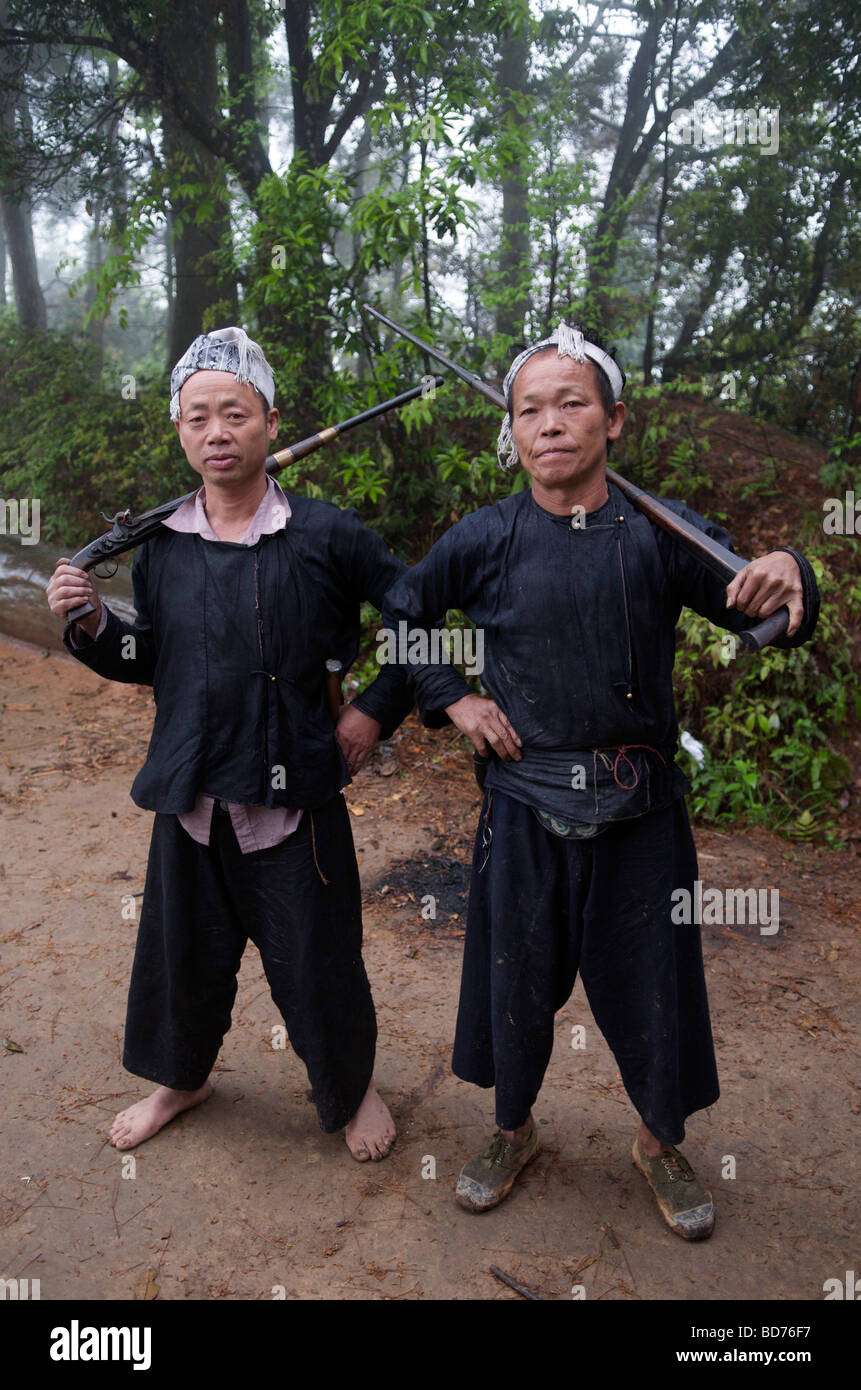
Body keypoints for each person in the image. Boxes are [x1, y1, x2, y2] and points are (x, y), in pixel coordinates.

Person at [381, 324, 819, 1238]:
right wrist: (453, 699)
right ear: (512, 431)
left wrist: (791, 573)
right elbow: (403, 615)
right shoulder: (485, 538)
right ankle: (512, 1129)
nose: (550, 423)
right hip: (522, 803)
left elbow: (769, 609)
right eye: (530, 409)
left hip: (639, 811)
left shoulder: (661, 535)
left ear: (612, 420)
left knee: (651, 987)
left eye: (571, 402)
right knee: (514, 980)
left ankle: (659, 1144)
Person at [47, 326, 421, 1162]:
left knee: (318, 958)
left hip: (295, 799)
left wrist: (369, 712)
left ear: (269, 422)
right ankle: (181, 1078)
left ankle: (350, 1086)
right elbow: (155, 660)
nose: (217, 433)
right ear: (178, 430)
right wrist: (92, 623)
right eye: (197, 418)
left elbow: (418, 618)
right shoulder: (162, 544)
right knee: (183, 957)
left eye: (235, 414)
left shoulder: (326, 535)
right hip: (190, 791)